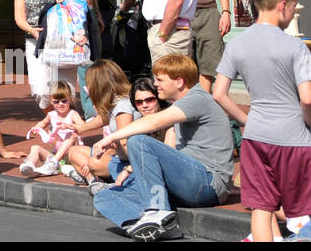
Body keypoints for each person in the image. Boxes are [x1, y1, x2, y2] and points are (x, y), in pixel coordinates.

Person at [212, 0, 311, 243]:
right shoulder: (295, 46)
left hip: (256, 136)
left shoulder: (236, 44)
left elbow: (219, 93)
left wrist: (245, 119)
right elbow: (307, 98)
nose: (293, 13)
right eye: (293, 7)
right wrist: (309, 122)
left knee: (261, 208)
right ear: (282, 5)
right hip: (294, 138)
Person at [92, 54, 234, 240]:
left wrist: (112, 137)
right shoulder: (182, 106)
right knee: (104, 196)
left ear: (179, 82)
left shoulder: (198, 99)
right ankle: (155, 225)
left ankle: (157, 212)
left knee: (138, 140)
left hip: (206, 183)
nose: (155, 83)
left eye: (159, 79)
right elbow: (169, 152)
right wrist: (131, 168)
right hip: (186, 183)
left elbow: (155, 121)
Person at [13, 0, 87, 108]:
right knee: (40, 90)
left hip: (64, 39)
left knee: (66, 89)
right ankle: (55, 120)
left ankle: (66, 127)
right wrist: (31, 29)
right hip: (36, 40)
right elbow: (19, 17)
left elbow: (82, 2)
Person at [19, 80, 85, 177]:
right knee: (35, 148)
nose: (60, 104)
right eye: (56, 101)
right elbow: (43, 123)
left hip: (72, 155)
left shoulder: (73, 114)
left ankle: (53, 164)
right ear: (51, 102)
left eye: (64, 100)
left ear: (70, 99)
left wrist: (72, 126)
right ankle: (29, 165)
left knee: (71, 137)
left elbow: (84, 126)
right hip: (57, 156)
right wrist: (36, 128)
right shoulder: (51, 115)